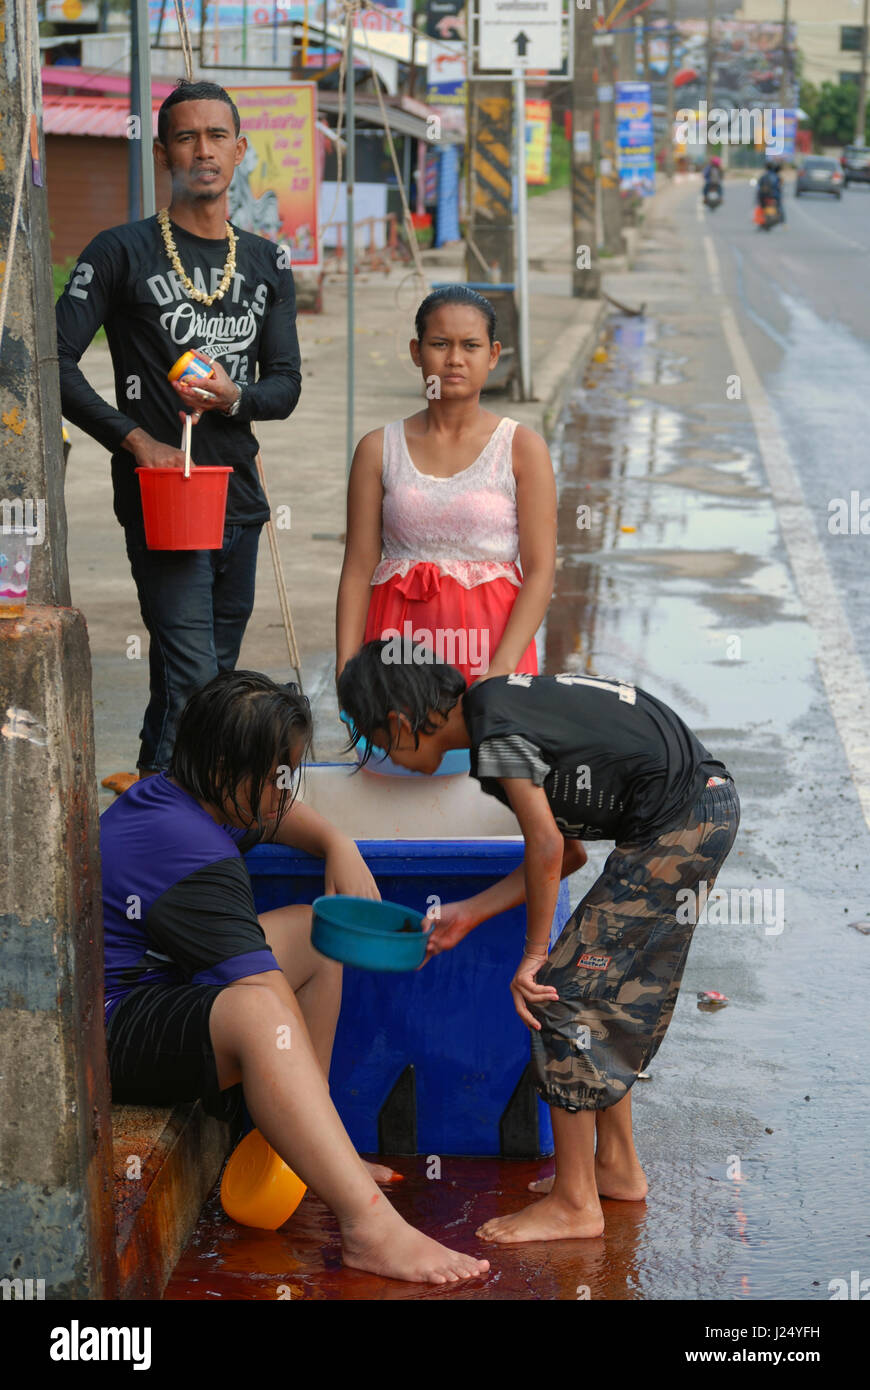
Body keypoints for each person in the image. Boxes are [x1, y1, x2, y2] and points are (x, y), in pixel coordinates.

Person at [338, 643, 740, 1244]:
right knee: (595, 993)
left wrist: (533, 956)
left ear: (398, 722)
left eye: (376, 740)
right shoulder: (494, 711)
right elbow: (567, 849)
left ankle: (575, 1203)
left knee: (562, 995)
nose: (384, 756)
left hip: (682, 822)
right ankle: (615, 1167)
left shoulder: (495, 736)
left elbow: (549, 851)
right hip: (694, 809)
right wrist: (469, 914)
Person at [100, 669, 490, 1286]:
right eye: (279, 775)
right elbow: (271, 1003)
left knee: (318, 929)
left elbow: (275, 819)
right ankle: (369, 1227)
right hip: (110, 1030)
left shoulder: (186, 791)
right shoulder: (191, 854)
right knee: (262, 1013)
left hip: (157, 984)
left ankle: (315, 1152)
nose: (286, 791)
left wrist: (338, 842)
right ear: (230, 765)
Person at [56, 80, 302, 782]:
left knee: (198, 682)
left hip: (239, 500)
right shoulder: (120, 251)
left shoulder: (265, 261)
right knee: (196, 681)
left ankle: (147, 821)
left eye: (217, 135)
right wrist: (133, 440)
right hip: (163, 499)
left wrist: (236, 397)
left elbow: (285, 386)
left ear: (240, 149)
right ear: (164, 152)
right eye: (188, 137)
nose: (204, 150)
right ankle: (183, 847)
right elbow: (52, 362)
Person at [335, 285, 556, 689]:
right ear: (417, 352)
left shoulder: (522, 448)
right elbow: (357, 567)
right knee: (398, 751)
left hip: (492, 652)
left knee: (488, 753)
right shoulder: (378, 449)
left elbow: (540, 571)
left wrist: (501, 669)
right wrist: (346, 668)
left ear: (492, 355)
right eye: (440, 344)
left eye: (470, 345)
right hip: (396, 654)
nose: (454, 359)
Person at [757, 158, 784, 223]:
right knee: (780, 207)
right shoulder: (777, 177)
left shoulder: (764, 176)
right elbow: (780, 186)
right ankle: (783, 222)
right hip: (774, 196)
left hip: (765, 196)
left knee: (759, 204)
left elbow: (759, 186)